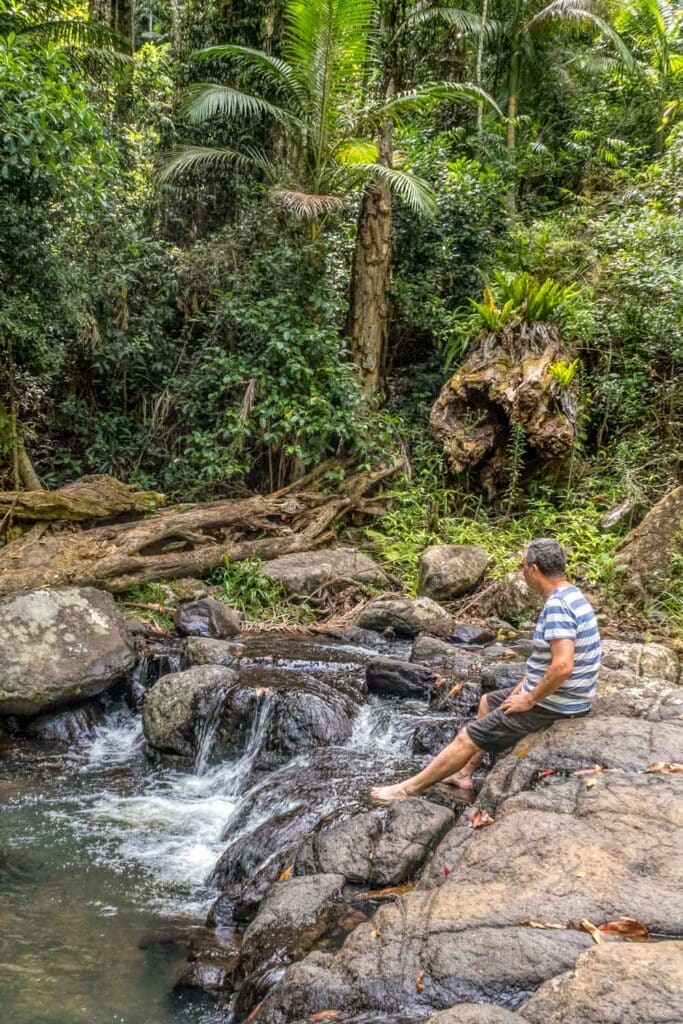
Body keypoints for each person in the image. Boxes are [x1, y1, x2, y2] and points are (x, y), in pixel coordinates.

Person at [371, 538, 601, 805]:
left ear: (534, 569)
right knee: (488, 702)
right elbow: (547, 662)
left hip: (558, 703)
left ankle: (405, 789)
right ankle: (465, 773)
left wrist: (528, 699)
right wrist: (520, 690)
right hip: (568, 696)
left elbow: (562, 666)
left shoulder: (557, 606)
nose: (522, 571)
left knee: (466, 736)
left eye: (523, 565)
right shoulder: (572, 595)